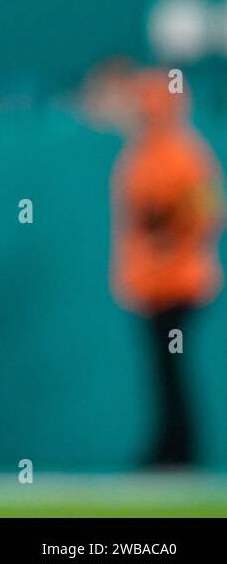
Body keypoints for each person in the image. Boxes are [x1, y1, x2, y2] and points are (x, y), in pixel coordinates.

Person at [111, 70, 223, 468]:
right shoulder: (147, 152)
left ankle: (177, 451)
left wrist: (171, 239)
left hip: (178, 284)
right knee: (164, 372)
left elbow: (206, 212)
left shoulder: (181, 153)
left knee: (171, 370)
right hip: (155, 284)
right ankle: (170, 447)